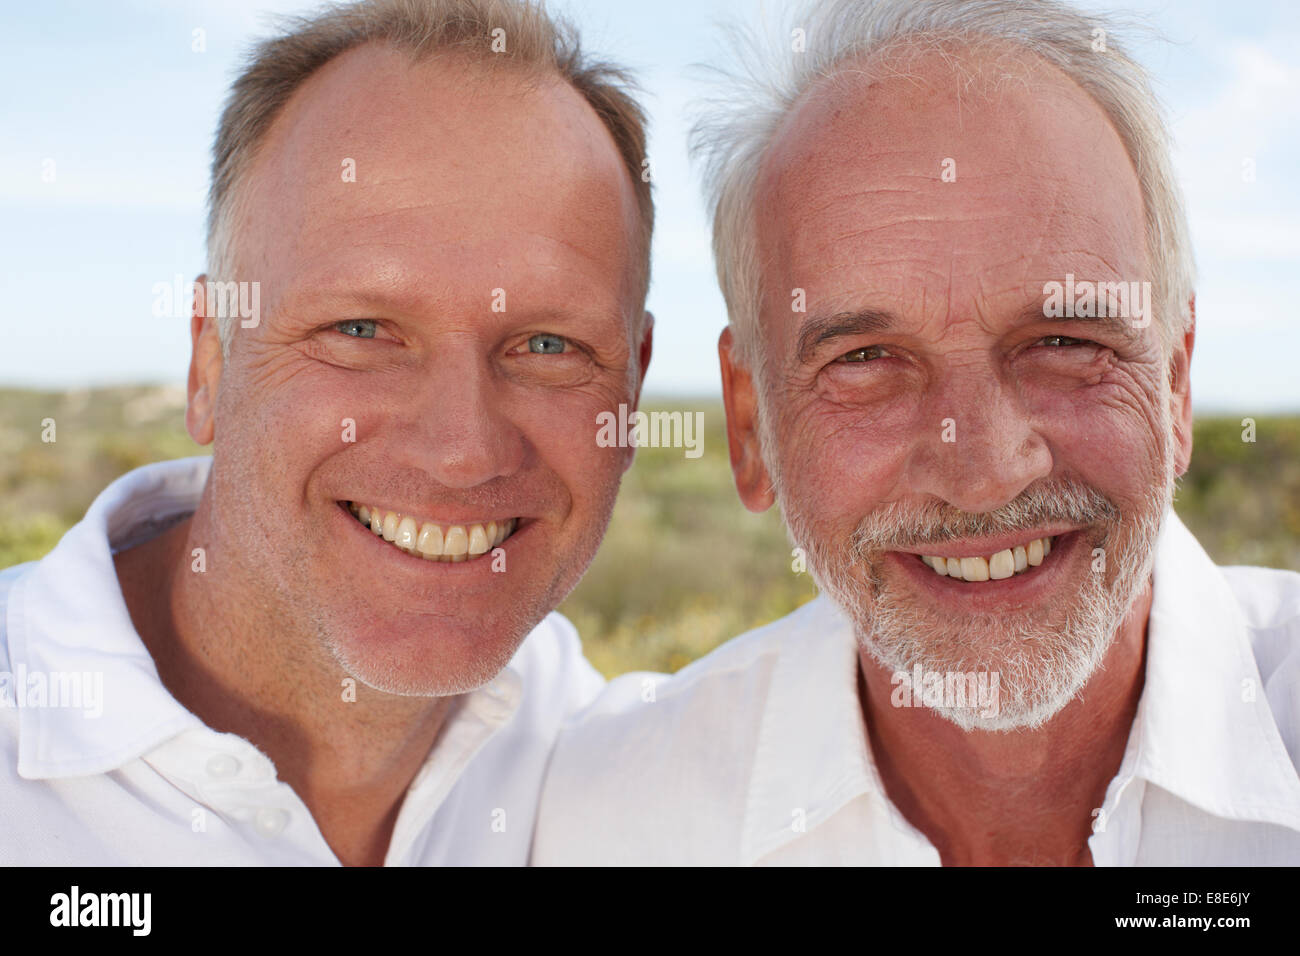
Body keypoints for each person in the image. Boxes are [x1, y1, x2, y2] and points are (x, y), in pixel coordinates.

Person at [532, 0, 1300, 865]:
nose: (983, 471)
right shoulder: (611, 821)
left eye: (1065, 342)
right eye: (865, 359)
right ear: (750, 426)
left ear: (1174, 385)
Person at [0, 0, 654, 866]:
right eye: (361, 329)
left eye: (546, 345)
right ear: (210, 363)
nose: (462, 451)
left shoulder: (627, 764)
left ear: (635, 387)